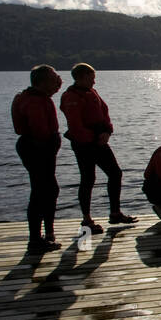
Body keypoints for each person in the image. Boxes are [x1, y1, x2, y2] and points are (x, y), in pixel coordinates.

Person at [60, 63, 136, 231]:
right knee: (88, 179)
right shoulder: (71, 97)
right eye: (90, 78)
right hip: (84, 144)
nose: (94, 82)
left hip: (100, 141)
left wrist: (108, 131)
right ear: (79, 78)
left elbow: (105, 112)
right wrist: (94, 138)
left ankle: (115, 213)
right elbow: (75, 125)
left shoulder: (91, 92)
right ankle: (87, 219)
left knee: (115, 173)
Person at [11, 65, 63, 252]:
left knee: (49, 190)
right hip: (37, 149)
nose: (57, 82)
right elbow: (40, 131)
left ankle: (48, 233)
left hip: (39, 148)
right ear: (42, 82)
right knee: (41, 192)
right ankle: (35, 239)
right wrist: (48, 147)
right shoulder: (33, 101)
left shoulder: (37, 96)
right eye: (53, 78)